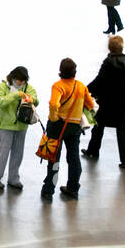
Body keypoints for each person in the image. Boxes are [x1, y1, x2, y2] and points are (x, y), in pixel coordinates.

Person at [41, 57, 96, 201]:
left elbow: (54, 104)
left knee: (54, 159)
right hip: (75, 126)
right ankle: (73, 188)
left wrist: (54, 118)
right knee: (73, 158)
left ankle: (48, 190)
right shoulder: (81, 86)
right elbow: (90, 105)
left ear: (60, 71)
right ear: (74, 71)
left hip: (58, 125)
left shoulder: (58, 86)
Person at [84, 36, 125, 168]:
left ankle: (93, 151)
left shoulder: (108, 63)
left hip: (107, 99)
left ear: (110, 47)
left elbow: (100, 81)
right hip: (122, 98)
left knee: (99, 125)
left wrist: (86, 89)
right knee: (122, 127)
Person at [0, 66, 38, 191]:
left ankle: (14, 178)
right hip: (6, 125)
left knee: (18, 153)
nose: (21, 83)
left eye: (23, 81)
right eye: (19, 80)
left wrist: (31, 99)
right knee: (3, 153)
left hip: (22, 126)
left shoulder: (28, 87)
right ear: (13, 77)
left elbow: (36, 100)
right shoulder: (3, 86)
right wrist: (15, 95)